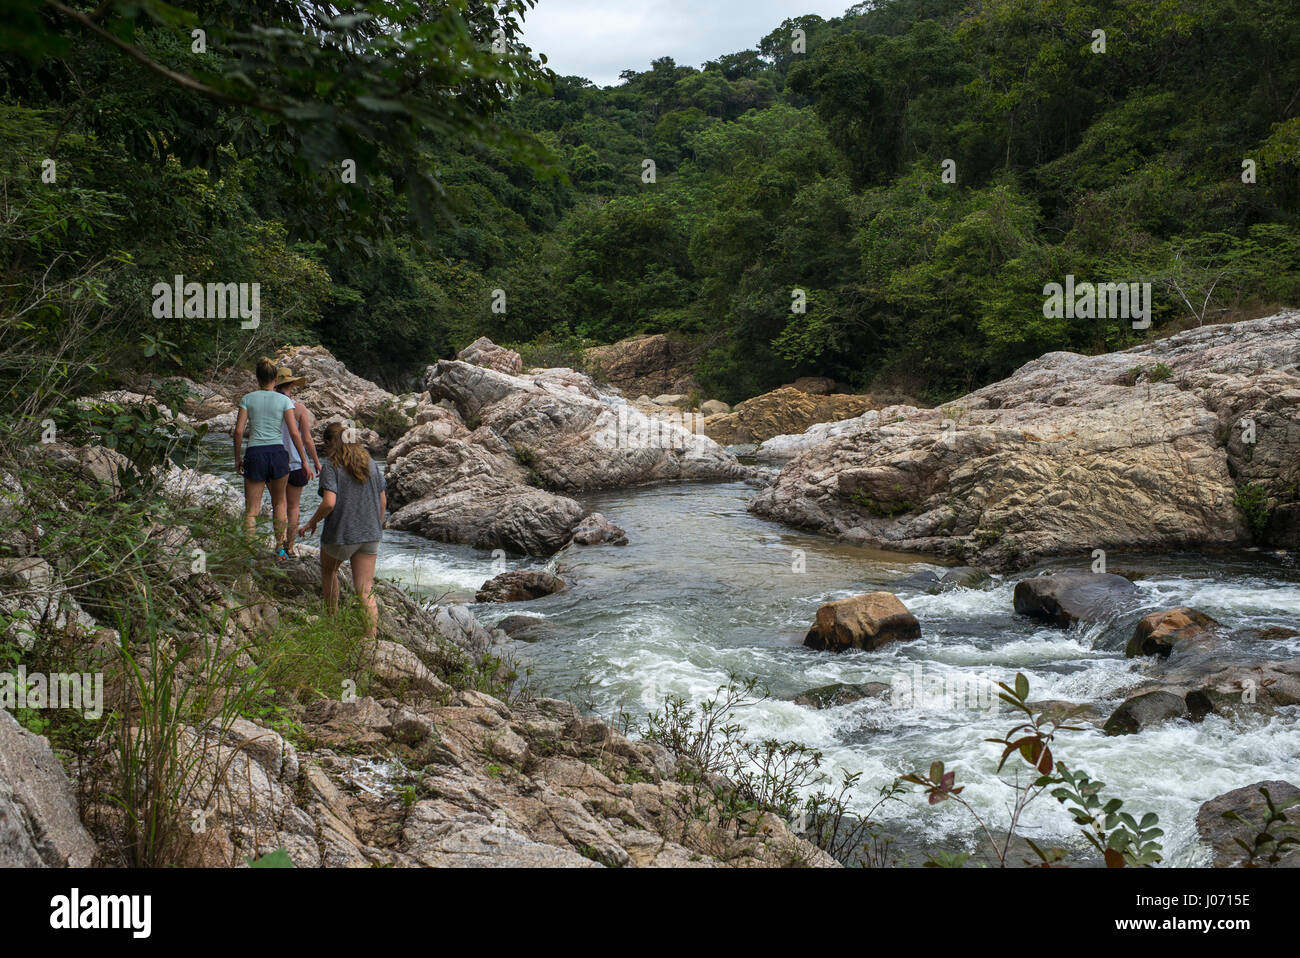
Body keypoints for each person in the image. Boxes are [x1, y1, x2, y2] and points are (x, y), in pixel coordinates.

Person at [298, 421, 386, 639]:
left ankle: (332, 621)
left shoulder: (332, 466)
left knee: (329, 571)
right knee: (365, 589)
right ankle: (370, 639)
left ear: (330, 443)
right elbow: (382, 500)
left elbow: (329, 502)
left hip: (341, 535)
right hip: (370, 533)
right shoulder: (371, 464)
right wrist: (375, 523)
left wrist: (311, 523)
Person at [234, 357, 310, 554]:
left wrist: (237, 459)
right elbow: (294, 433)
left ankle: (249, 555)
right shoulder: (284, 400)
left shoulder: (247, 399)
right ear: (275, 378)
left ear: (257, 378)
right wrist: (303, 460)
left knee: (252, 510)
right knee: (280, 503)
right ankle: (281, 550)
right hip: (277, 453)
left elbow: (239, 432)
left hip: (254, 453)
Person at [274, 367, 321, 558]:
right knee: (294, 507)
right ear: (292, 384)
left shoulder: (271, 406)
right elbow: (307, 439)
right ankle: (291, 547)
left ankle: (279, 548)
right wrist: (314, 461)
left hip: (275, 461)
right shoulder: (299, 409)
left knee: (279, 504)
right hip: (296, 463)